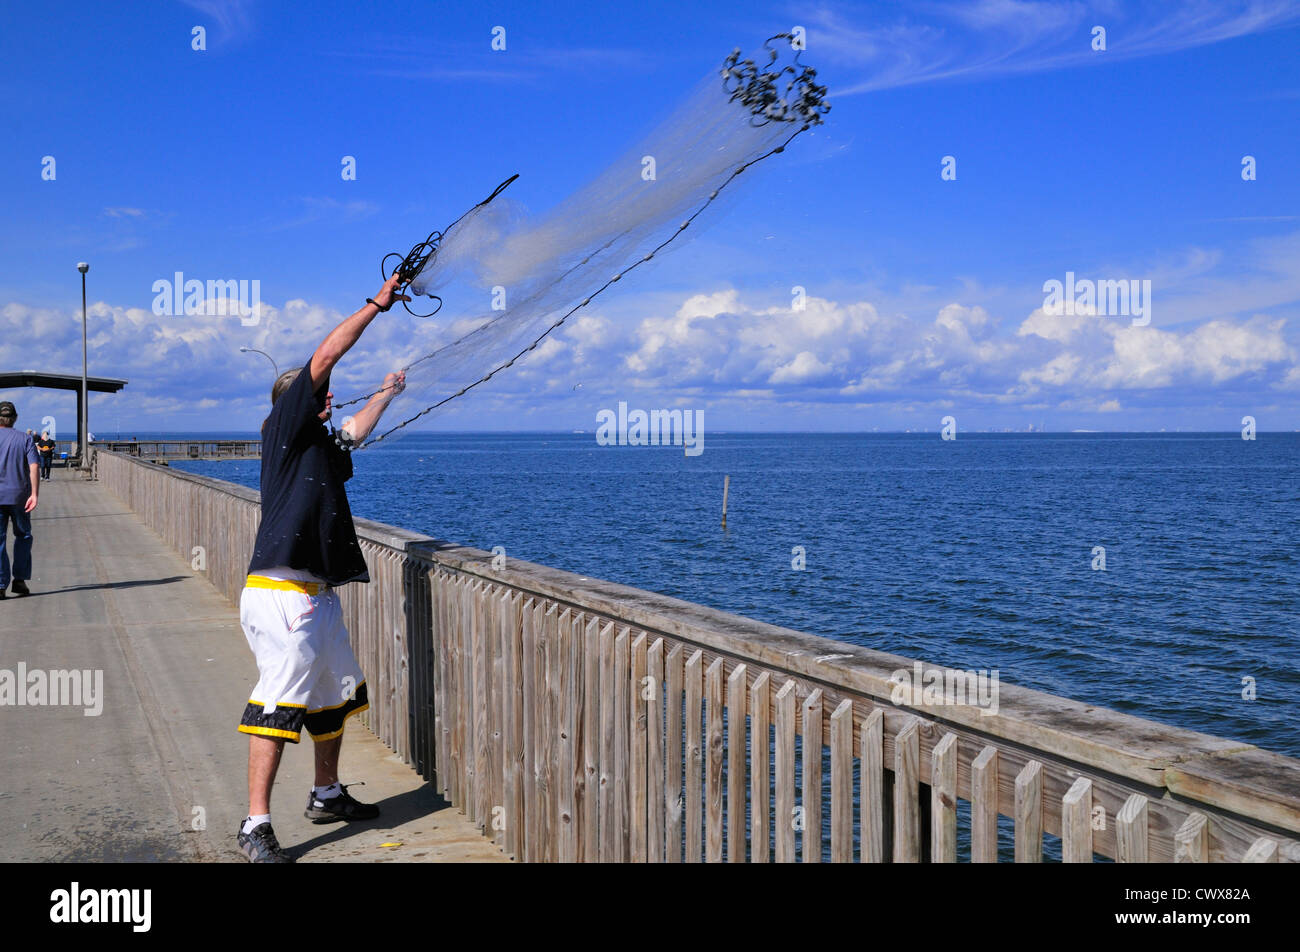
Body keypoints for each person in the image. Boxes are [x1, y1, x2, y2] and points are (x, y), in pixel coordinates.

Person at [235, 273, 410, 863]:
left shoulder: (322, 444)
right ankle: (254, 825)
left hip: (318, 596)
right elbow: (328, 352)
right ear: (297, 400)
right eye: (320, 390)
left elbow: (356, 430)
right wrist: (376, 304)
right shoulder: (285, 427)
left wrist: (388, 391)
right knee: (278, 703)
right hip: (281, 593)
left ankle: (327, 793)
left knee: (333, 695)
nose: (329, 397)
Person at [0, 401, 39, 599]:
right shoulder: (25, 439)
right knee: (23, 536)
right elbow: (34, 467)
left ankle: (0, 584)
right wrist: (34, 494)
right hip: (20, 497)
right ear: (15, 418)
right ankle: (20, 580)